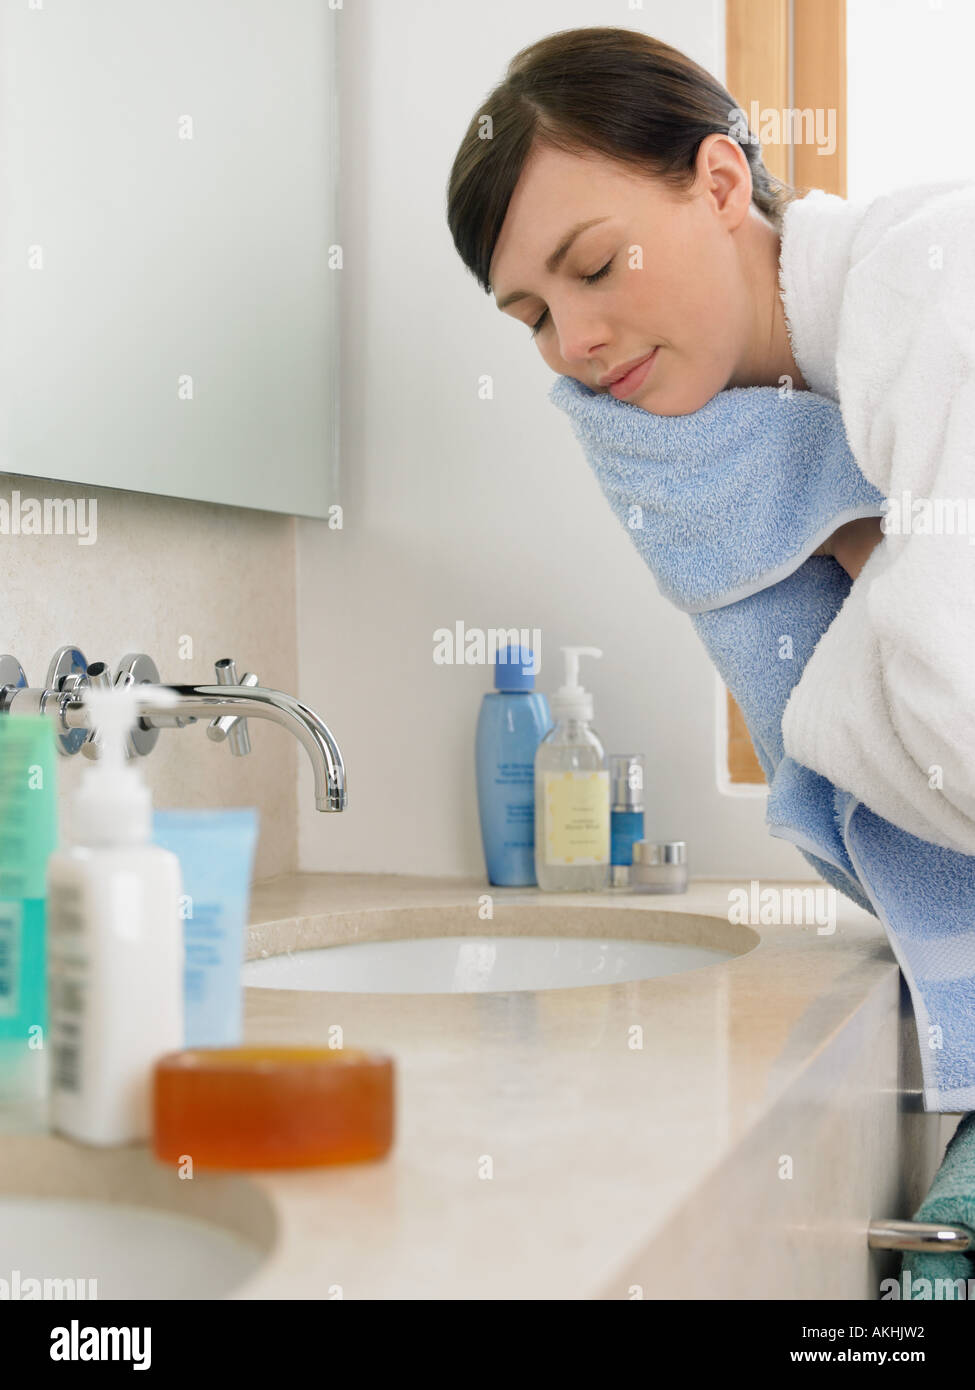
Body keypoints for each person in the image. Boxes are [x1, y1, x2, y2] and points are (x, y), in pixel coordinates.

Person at [446, 26, 883, 579]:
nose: (576, 343)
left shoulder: (930, 291)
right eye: (538, 318)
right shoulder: (722, 458)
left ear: (721, 185)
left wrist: (868, 543)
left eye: (596, 266)